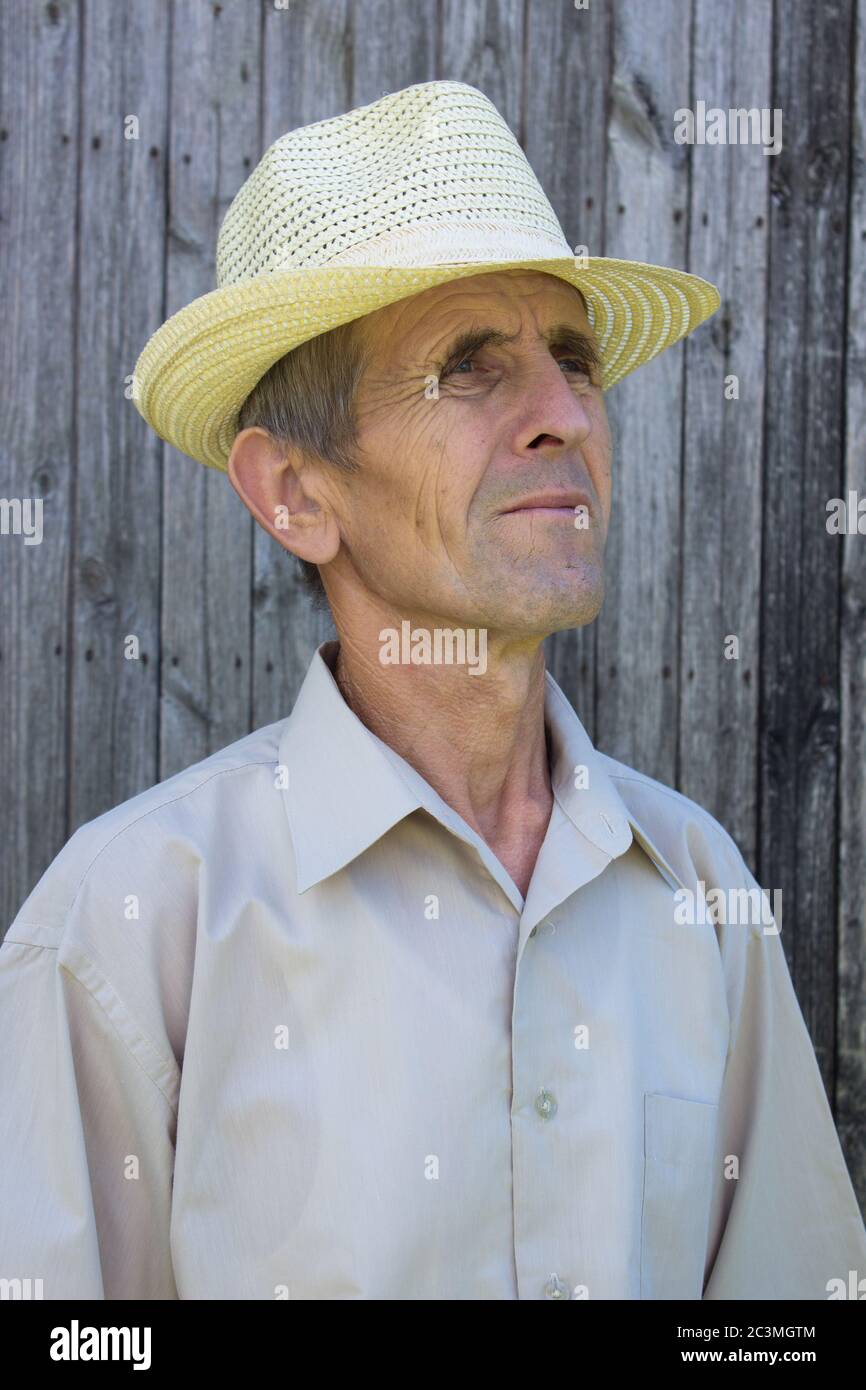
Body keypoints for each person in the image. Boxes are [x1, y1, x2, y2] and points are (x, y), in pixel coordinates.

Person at [1, 80, 863, 1301]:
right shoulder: (131, 923)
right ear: (294, 492)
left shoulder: (700, 889)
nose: (563, 415)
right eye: (470, 369)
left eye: (572, 362)